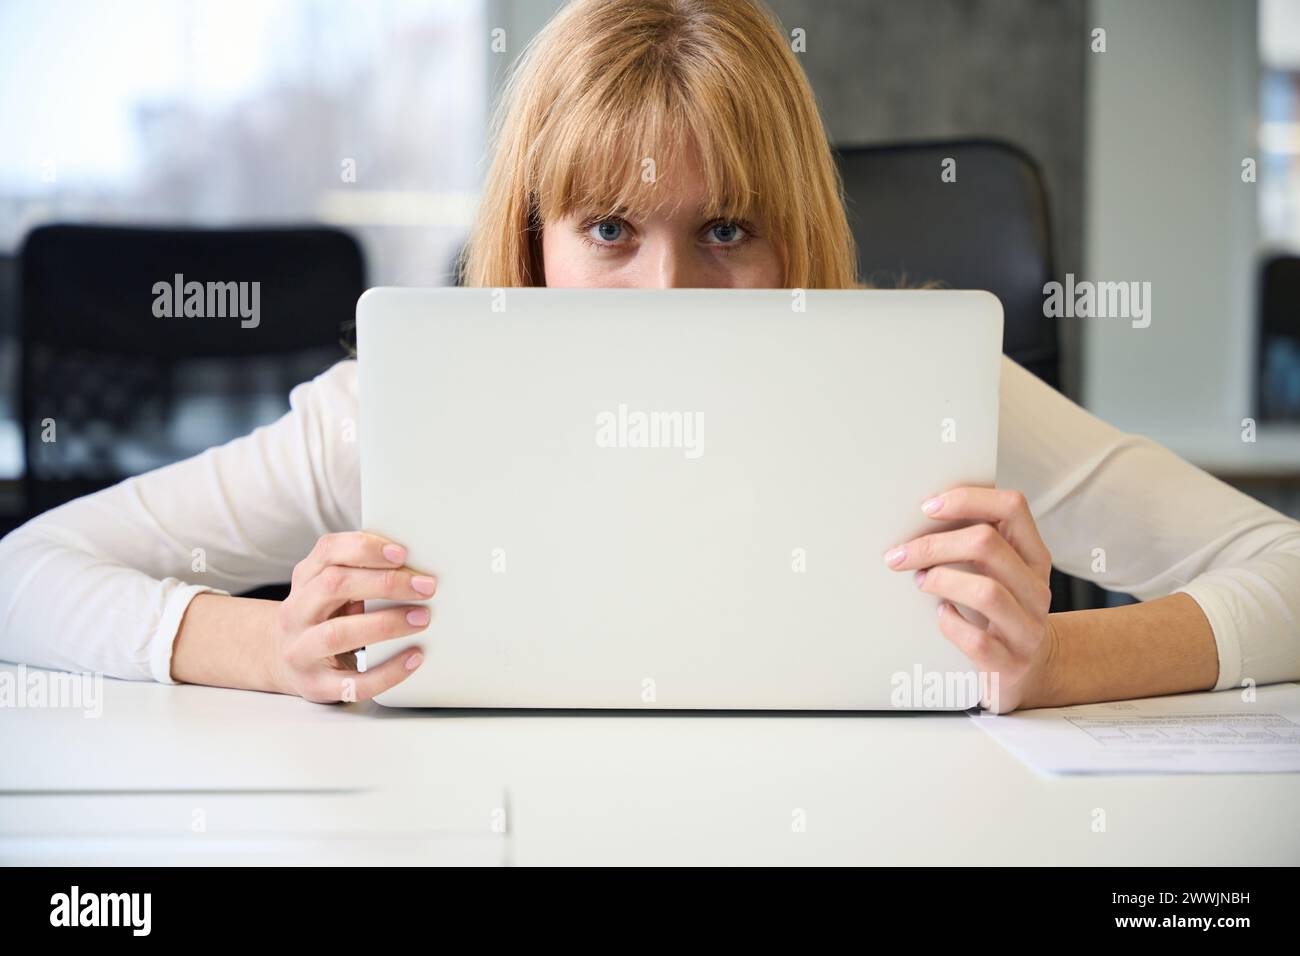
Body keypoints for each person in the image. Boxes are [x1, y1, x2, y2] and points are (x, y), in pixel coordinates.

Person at [1, 0, 1297, 712]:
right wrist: (268, 645)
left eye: (727, 227)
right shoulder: (397, 407)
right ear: (533, 234)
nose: (667, 289)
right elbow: (27, 576)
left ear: (796, 234)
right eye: (610, 227)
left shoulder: (930, 401)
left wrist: (1052, 658)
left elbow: (1285, 572)